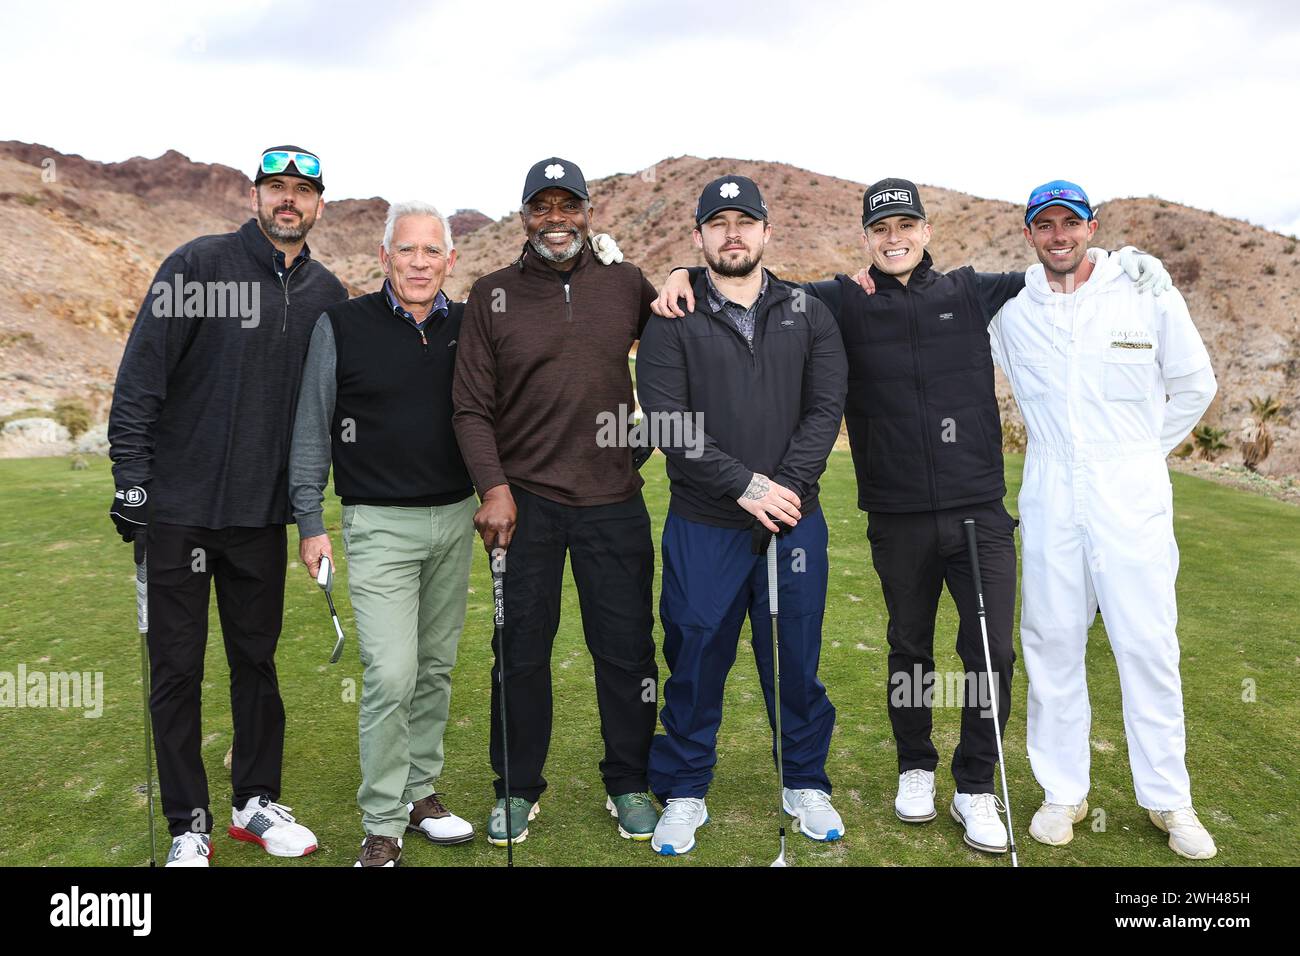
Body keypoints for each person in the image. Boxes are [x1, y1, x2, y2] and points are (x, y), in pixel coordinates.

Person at [652, 178, 1170, 855]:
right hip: (887, 514)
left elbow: (1057, 266)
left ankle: (971, 785)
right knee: (897, 649)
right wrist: (679, 274)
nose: (894, 239)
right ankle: (908, 768)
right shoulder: (834, 299)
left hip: (974, 509)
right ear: (866, 238)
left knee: (986, 654)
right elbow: (734, 298)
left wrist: (1124, 262)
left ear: (926, 231)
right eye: (880, 229)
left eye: (905, 227)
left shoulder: (967, 290)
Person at [108, 146, 347, 867]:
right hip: (178, 510)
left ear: (319, 206)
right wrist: (131, 479)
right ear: (253, 195)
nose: (288, 201)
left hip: (258, 514)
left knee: (257, 662)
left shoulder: (327, 294)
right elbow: (141, 375)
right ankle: (188, 822)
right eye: (276, 187)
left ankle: (253, 802)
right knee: (177, 669)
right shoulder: (198, 264)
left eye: (302, 191)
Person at [990, 180, 1218, 859]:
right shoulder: (1009, 307)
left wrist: (1143, 452)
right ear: (1029, 233)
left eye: (1071, 222)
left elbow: (1195, 384)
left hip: (1132, 489)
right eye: (1045, 225)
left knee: (1147, 643)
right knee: (1051, 640)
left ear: (1092, 227)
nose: (1059, 235)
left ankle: (1169, 800)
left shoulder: (1145, 291)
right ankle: (1064, 792)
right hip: (1051, 486)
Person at [452, 157, 661, 846]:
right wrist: (495, 487)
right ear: (524, 217)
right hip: (526, 506)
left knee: (627, 654)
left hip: (614, 505)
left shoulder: (627, 284)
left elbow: (673, 360)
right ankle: (516, 789)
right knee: (518, 653)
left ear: (587, 211)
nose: (555, 219)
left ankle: (629, 783)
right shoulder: (492, 294)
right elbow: (470, 408)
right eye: (540, 207)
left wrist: (641, 447)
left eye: (566, 205)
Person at [636, 175, 847, 856]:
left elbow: (824, 408)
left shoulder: (808, 311)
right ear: (699, 237)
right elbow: (668, 421)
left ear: (766, 232)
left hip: (793, 521)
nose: (733, 233)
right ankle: (687, 789)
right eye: (718, 222)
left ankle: (805, 781)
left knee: (795, 657)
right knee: (696, 656)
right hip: (705, 524)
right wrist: (745, 484)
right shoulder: (673, 317)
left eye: (745, 221)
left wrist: (783, 487)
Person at [289, 201, 478, 867]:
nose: (420, 262)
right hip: (377, 526)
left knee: (434, 668)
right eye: (407, 250)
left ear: (450, 260)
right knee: (391, 673)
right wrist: (310, 521)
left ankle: (421, 791)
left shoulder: (469, 326)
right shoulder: (341, 325)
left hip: (456, 519)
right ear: (385, 257)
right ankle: (382, 819)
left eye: (432, 251)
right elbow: (312, 427)